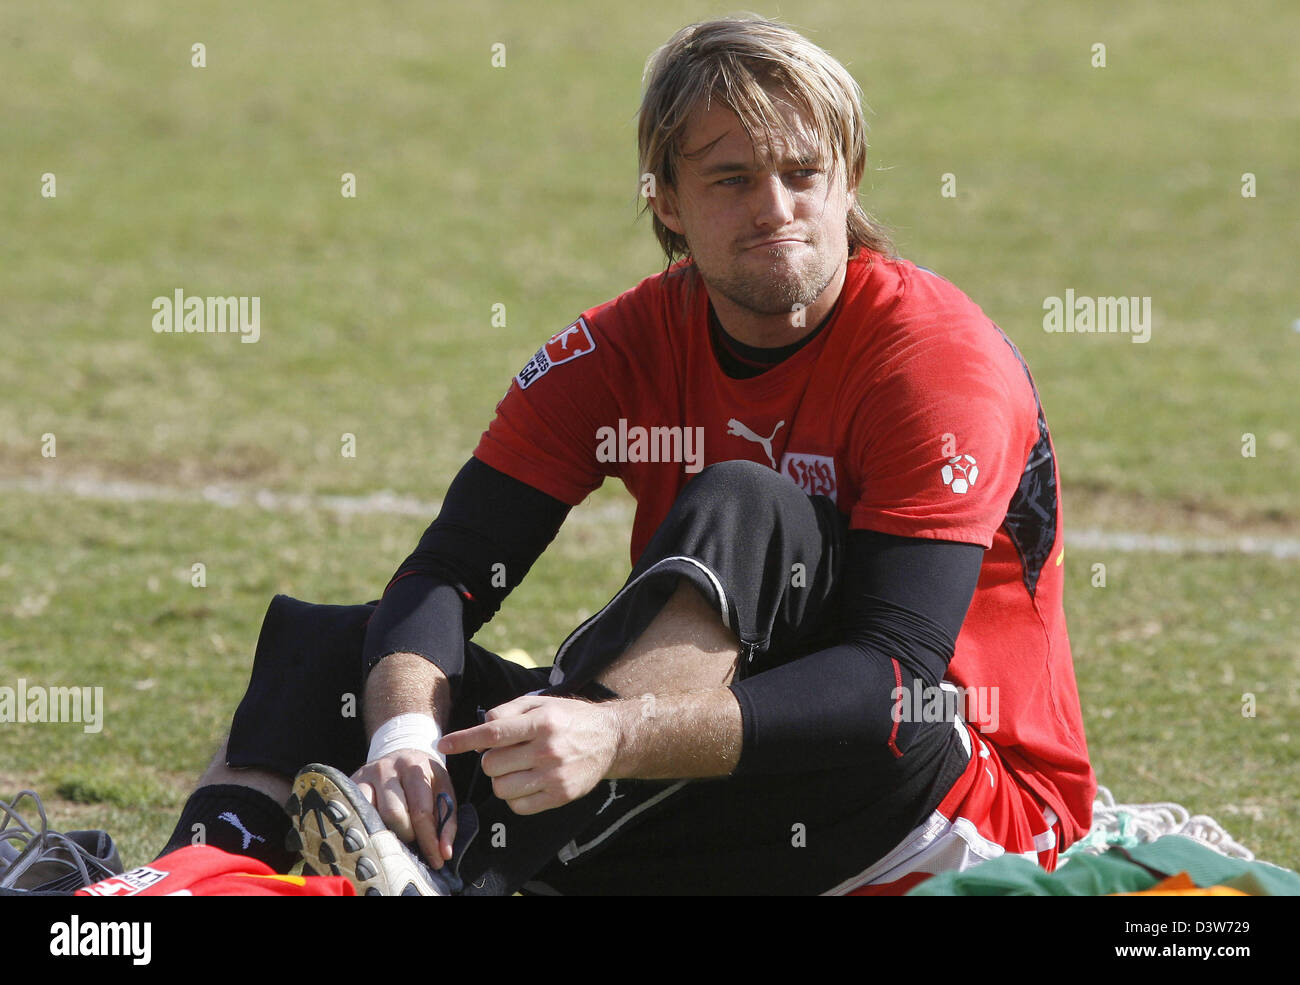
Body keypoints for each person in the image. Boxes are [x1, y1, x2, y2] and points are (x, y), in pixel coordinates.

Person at [158, 15, 1095, 895]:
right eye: (731, 179)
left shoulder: (935, 361)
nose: (778, 208)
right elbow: (449, 570)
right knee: (335, 652)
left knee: (749, 506)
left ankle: (463, 861)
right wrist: (406, 734)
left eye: (805, 172)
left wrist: (614, 730)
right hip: (701, 773)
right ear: (667, 202)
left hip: (949, 798)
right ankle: (170, 885)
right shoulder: (623, 345)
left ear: (849, 180)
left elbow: (894, 687)